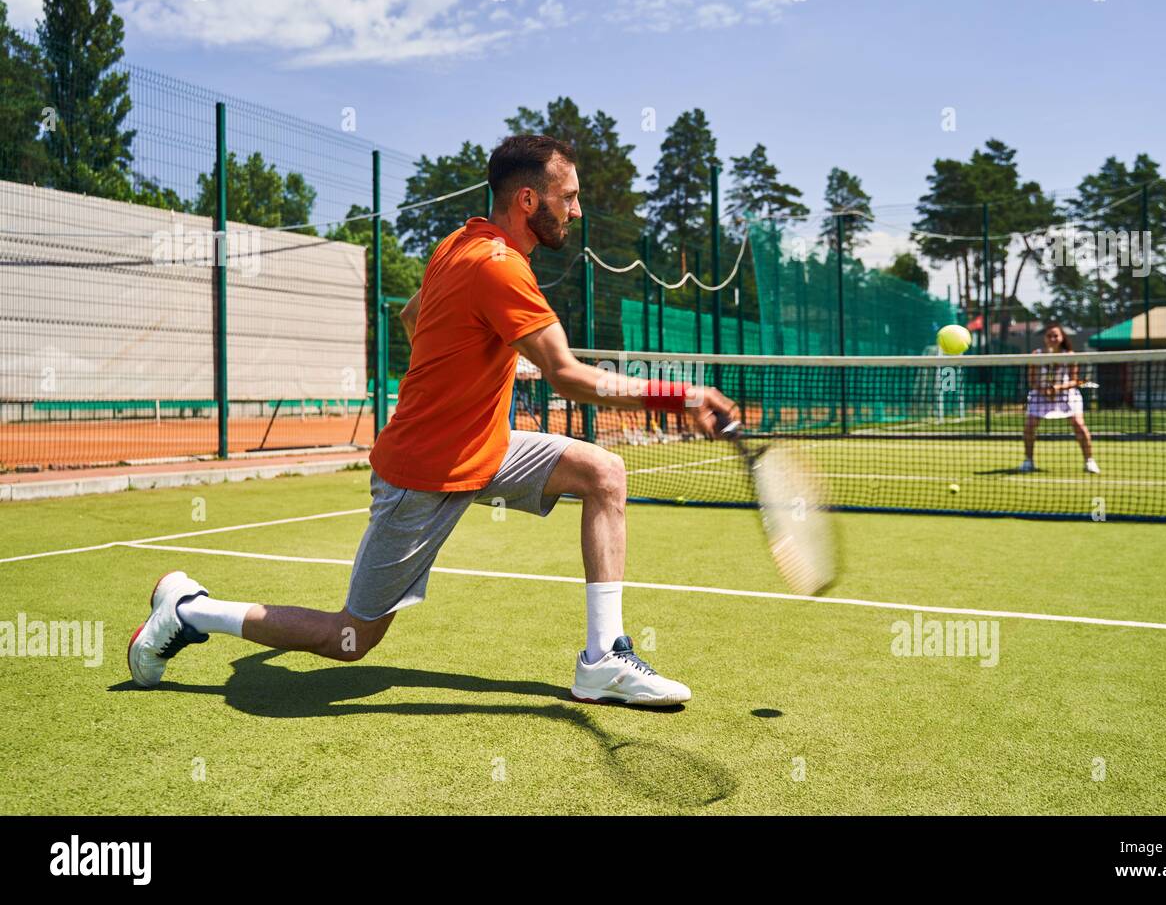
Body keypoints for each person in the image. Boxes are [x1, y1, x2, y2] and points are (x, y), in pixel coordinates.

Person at [129, 134, 735, 706]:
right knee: (350, 639)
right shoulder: (500, 267)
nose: (576, 211)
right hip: (422, 472)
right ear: (529, 200)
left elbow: (413, 319)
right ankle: (187, 611)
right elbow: (569, 377)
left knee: (603, 472)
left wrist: (469, 369)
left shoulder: (458, 244)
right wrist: (680, 399)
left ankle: (603, 659)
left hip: (484, 446)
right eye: (569, 197)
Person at [1019, 322, 1100, 474]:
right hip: (1040, 395)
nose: (1052, 338)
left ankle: (1089, 461)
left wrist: (1057, 388)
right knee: (1029, 426)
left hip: (1066, 395)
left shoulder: (1069, 356)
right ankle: (1028, 461)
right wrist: (1043, 390)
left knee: (1079, 425)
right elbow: (1031, 380)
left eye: (1056, 335)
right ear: (1045, 338)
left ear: (1062, 337)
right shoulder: (1036, 355)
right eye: (1049, 336)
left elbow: (1075, 381)